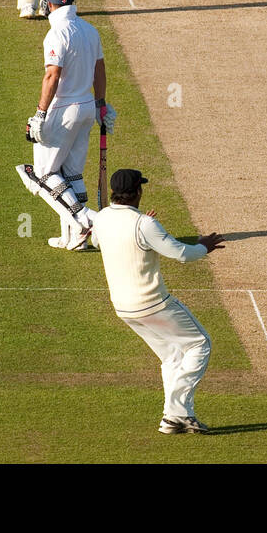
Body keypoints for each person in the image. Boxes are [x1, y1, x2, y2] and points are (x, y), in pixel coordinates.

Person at [91, 169, 225, 434]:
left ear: (114, 193)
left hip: (124, 308)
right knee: (200, 344)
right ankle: (178, 412)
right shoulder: (144, 224)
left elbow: (97, 241)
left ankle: (171, 420)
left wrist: (142, 225)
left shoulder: (103, 217)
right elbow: (181, 254)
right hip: (154, 305)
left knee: (173, 355)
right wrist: (203, 247)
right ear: (139, 192)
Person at [16, 0, 115, 250]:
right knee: (71, 174)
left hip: (63, 110)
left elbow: (52, 75)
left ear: (50, 2)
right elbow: (100, 70)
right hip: (85, 108)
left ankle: (84, 219)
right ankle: (75, 237)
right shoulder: (90, 30)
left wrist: (39, 114)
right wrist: (101, 104)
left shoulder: (57, 33)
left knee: (44, 174)